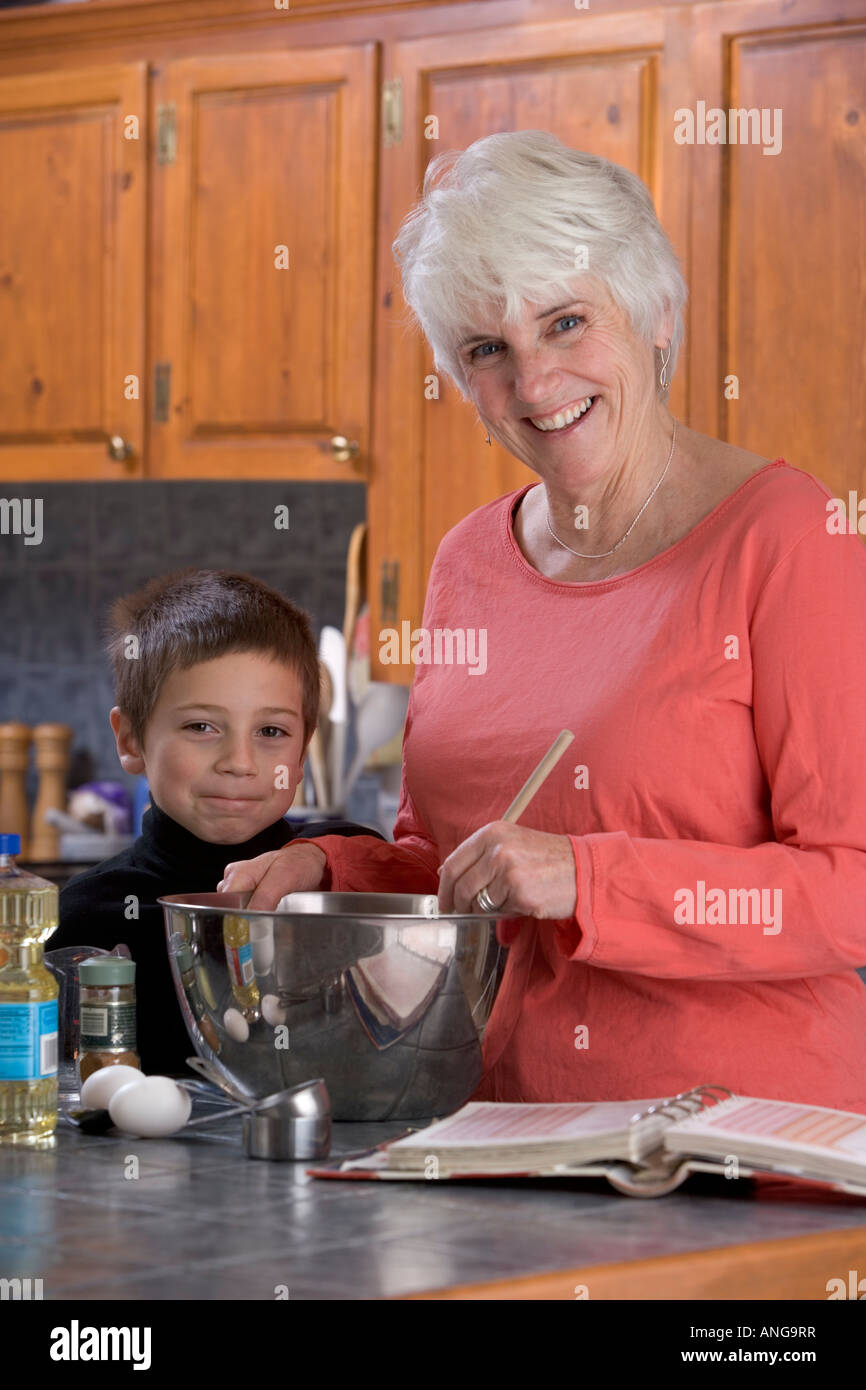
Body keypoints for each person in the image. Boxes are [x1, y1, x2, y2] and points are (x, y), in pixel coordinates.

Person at [219, 131, 866, 1114]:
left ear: (651, 311)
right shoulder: (465, 561)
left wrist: (590, 879)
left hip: (732, 1150)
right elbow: (458, 871)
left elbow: (849, 887)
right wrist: (333, 865)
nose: (532, 383)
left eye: (566, 322)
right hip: (494, 1129)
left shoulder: (785, 537)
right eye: (487, 350)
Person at [51, 568, 383, 1075]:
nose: (240, 762)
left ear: (300, 756)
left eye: (271, 730)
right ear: (131, 740)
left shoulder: (344, 881)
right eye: (201, 726)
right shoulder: (76, 920)